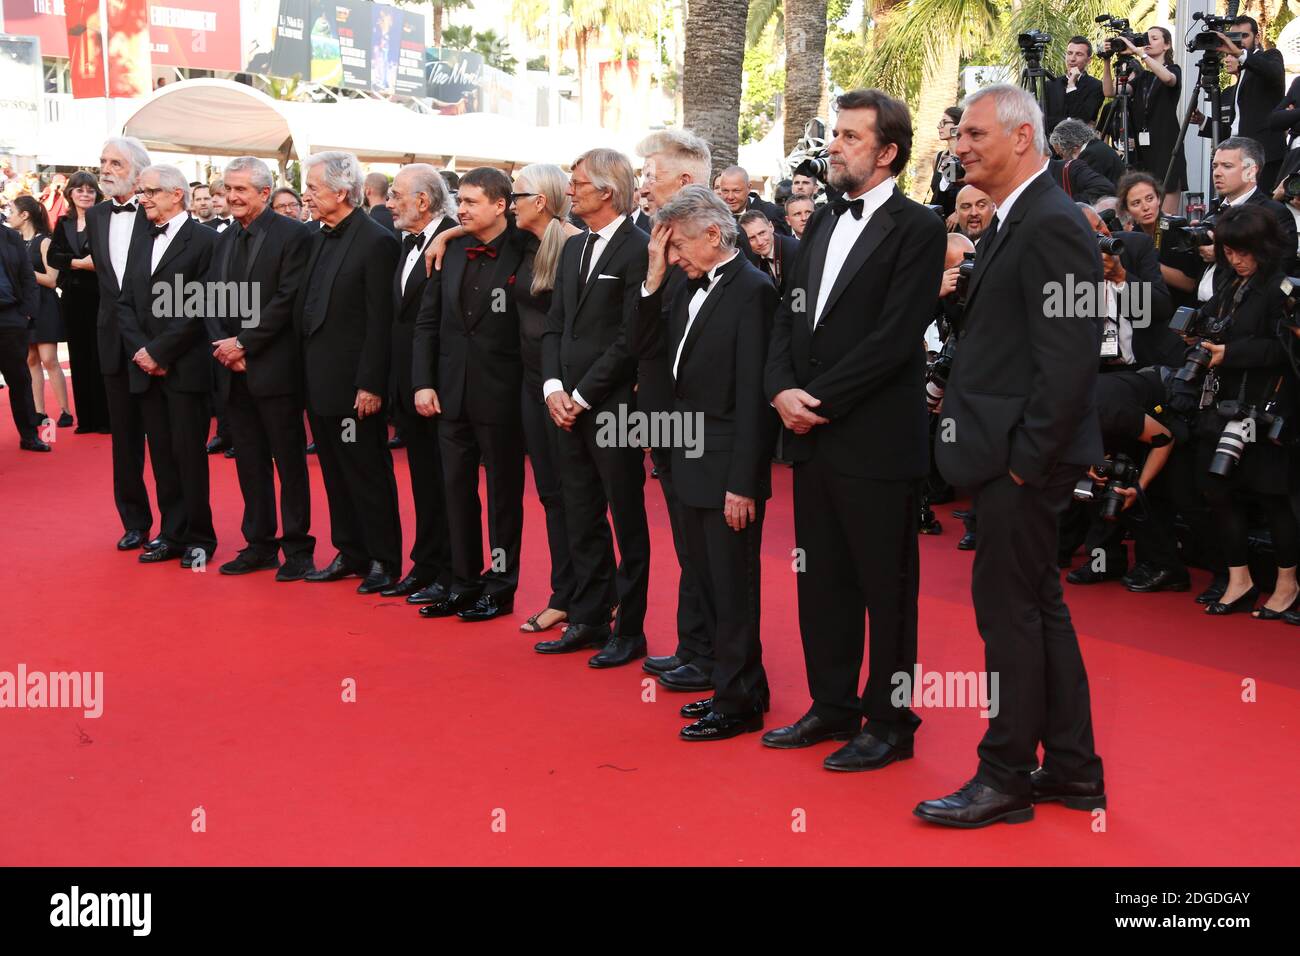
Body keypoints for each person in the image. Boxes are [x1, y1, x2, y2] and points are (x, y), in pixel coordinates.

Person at [920, 83, 1105, 827]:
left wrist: (1026, 461)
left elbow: (1072, 355)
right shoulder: (1014, 219)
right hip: (1006, 454)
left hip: (1023, 463)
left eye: (973, 133)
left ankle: (1004, 777)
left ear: (1022, 138)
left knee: (1011, 620)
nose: (959, 146)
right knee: (1038, 611)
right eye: (959, 135)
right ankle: (1072, 769)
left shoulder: (1053, 223)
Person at [763, 88, 945, 770]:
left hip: (874, 442)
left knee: (887, 591)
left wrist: (815, 398)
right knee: (823, 581)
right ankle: (831, 705)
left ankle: (891, 725)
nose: (832, 145)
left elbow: (895, 337)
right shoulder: (819, 223)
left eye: (848, 136)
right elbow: (789, 316)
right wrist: (779, 389)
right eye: (834, 134)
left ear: (887, 151)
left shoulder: (920, 228)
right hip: (811, 438)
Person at [641, 185, 780, 740]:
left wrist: (744, 481)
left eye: (677, 249)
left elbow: (755, 395)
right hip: (681, 453)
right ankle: (733, 683)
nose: (673, 258)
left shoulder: (753, 292)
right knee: (704, 577)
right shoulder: (680, 284)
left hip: (725, 467)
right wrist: (654, 277)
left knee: (733, 585)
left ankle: (741, 699)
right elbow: (643, 346)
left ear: (714, 235)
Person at [535, 148, 652, 668]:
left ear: (607, 191)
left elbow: (631, 338)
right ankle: (588, 616)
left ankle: (630, 631)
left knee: (626, 518)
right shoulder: (574, 245)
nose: (571, 188)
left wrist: (581, 396)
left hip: (614, 409)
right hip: (566, 406)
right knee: (580, 512)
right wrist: (554, 388)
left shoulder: (640, 248)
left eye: (578, 182)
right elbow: (554, 324)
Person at [411, 167, 525, 622]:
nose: (462, 209)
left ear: (501, 205)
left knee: (502, 497)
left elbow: (562, 222)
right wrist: (423, 381)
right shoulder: (451, 249)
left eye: (472, 202)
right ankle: (463, 582)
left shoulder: (529, 246)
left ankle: (499, 588)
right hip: (450, 392)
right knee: (455, 490)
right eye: (460, 202)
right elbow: (427, 322)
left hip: (503, 394)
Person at [1173, 204, 1298, 620]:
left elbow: (1285, 349)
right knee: (1218, 492)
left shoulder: (1284, 288)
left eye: (1243, 252)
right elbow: (1212, 322)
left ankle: (1286, 584)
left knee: (1272, 495)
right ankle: (1238, 578)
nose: (1236, 259)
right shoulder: (1228, 283)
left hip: (1265, 406)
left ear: (1263, 247)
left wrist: (1231, 354)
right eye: (1229, 251)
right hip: (1221, 404)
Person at [296, 151, 404, 593]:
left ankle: (383, 557)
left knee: (366, 471)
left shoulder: (377, 241)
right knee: (335, 471)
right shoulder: (314, 237)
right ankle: (350, 550)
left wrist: (371, 383)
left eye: (314, 188)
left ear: (341, 192)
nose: (306, 195)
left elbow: (382, 322)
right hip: (317, 377)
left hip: (356, 384)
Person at [206, 156, 317, 582]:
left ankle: (297, 549)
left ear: (264, 193)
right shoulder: (225, 236)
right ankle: (259, 544)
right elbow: (212, 295)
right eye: (228, 189)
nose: (232, 197)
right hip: (232, 369)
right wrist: (224, 346)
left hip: (275, 366)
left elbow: (287, 298)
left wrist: (245, 343)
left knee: (288, 461)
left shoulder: (293, 235)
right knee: (249, 460)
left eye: (241, 190)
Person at [115, 165, 217, 567]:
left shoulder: (206, 241)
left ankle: (200, 537)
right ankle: (170, 533)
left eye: (151, 192)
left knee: (189, 456)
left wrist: (160, 351)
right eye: (142, 192)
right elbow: (124, 304)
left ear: (177, 194)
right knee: (161, 456)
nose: (144, 198)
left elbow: (204, 304)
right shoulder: (142, 239)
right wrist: (142, 351)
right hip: (146, 367)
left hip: (184, 367)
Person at [508, 164, 581, 633]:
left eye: (517, 195)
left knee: (576, 496)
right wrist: (445, 237)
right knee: (552, 495)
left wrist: (565, 388)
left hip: (566, 390)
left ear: (540, 200)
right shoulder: (522, 241)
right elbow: (474, 222)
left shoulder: (574, 244)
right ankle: (565, 593)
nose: (510, 202)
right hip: (530, 384)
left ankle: (591, 596)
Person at [380, 164, 457, 602]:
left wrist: (427, 381)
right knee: (424, 479)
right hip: (409, 384)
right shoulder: (405, 243)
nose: (388, 203)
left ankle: (450, 571)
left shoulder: (454, 240)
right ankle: (426, 564)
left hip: (438, 385)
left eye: (396, 195)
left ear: (423, 201)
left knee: (445, 483)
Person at [88, 136, 157, 550]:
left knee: (165, 441)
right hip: (112, 339)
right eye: (103, 161)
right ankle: (134, 522)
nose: (106, 168)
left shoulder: (157, 212)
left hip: (156, 343)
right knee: (125, 442)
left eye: (116, 162)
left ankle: (177, 526)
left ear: (138, 170)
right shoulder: (97, 215)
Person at [47, 171, 110, 434]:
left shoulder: (105, 220)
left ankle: (105, 419)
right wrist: (79, 263)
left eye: (90, 190)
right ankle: (86, 420)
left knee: (100, 356)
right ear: (70, 193)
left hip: (100, 296)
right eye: (80, 190)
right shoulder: (63, 223)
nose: (85, 194)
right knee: (79, 356)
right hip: (73, 298)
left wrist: (89, 264)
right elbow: (53, 256)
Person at [1102, 26, 1186, 214]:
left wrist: (1141, 54)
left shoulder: (1173, 69)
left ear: (1167, 45)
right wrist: (1107, 61)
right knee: (1145, 210)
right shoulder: (1142, 78)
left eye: (1154, 38)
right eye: (1146, 38)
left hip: (1166, 149)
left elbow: (1168, 79)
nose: (1148, 42)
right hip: (1144, 151)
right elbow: (1109, 92)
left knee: (1165, 218)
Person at [7, 197, 70, 428]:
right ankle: (39, 411)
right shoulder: (13, 243)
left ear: (25, 215)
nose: (8, 214)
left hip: (45, 305)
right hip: (24, 306)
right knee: (31, 359)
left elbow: (53, 280)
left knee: (49, 359)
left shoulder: (45, 241)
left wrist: (26, 273)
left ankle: (65, 410)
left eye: (11, 210)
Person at [1212, 16, 1286, 193]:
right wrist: (1201, 121)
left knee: (1260, 209)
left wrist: (1239, 54)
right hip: (1239, 153)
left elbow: (1273, 73)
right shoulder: (1241, 75)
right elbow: (1238, 122)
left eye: (1244, 36)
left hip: (1264, 154)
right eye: (1234, 38)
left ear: (1257, 38)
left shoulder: (1270, 56)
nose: (1239, 42)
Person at [0, 220, 49, 451]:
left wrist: (27, 313)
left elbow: (27, 277)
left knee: (19, 379)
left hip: (10, 316)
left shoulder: (11, 237)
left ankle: (29, 435)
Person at [1044, 36, 1104, 134]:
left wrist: (1071, 85)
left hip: (1081, 146)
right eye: (1069, 53)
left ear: (1089, 60)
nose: (1072, 59)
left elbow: (1082, 119)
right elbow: (1043, 121)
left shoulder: (1096, 86)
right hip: (1051, 145)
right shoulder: (1050, 85)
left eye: (1079, 54)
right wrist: (1068, 120)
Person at [717, 166, 790, 235]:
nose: (730, 197)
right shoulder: (714, 216)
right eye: (725, 191)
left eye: (736, 191)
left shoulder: (771, 212)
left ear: (749, 188)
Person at [739, 209, 798, 295]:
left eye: (762, 233)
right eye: (752, 238)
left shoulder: (796, 250)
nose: (760, 242)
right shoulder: (749, 259)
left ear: (771, 227)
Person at [928, 107, 965, 217]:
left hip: (959, 225)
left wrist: (958, 214)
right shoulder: (938, 158)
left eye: (944, 122)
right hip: (936, 220)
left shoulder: (968, 158)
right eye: (940, 123)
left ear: (957, 126)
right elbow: (941, 191)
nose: (939, 127)